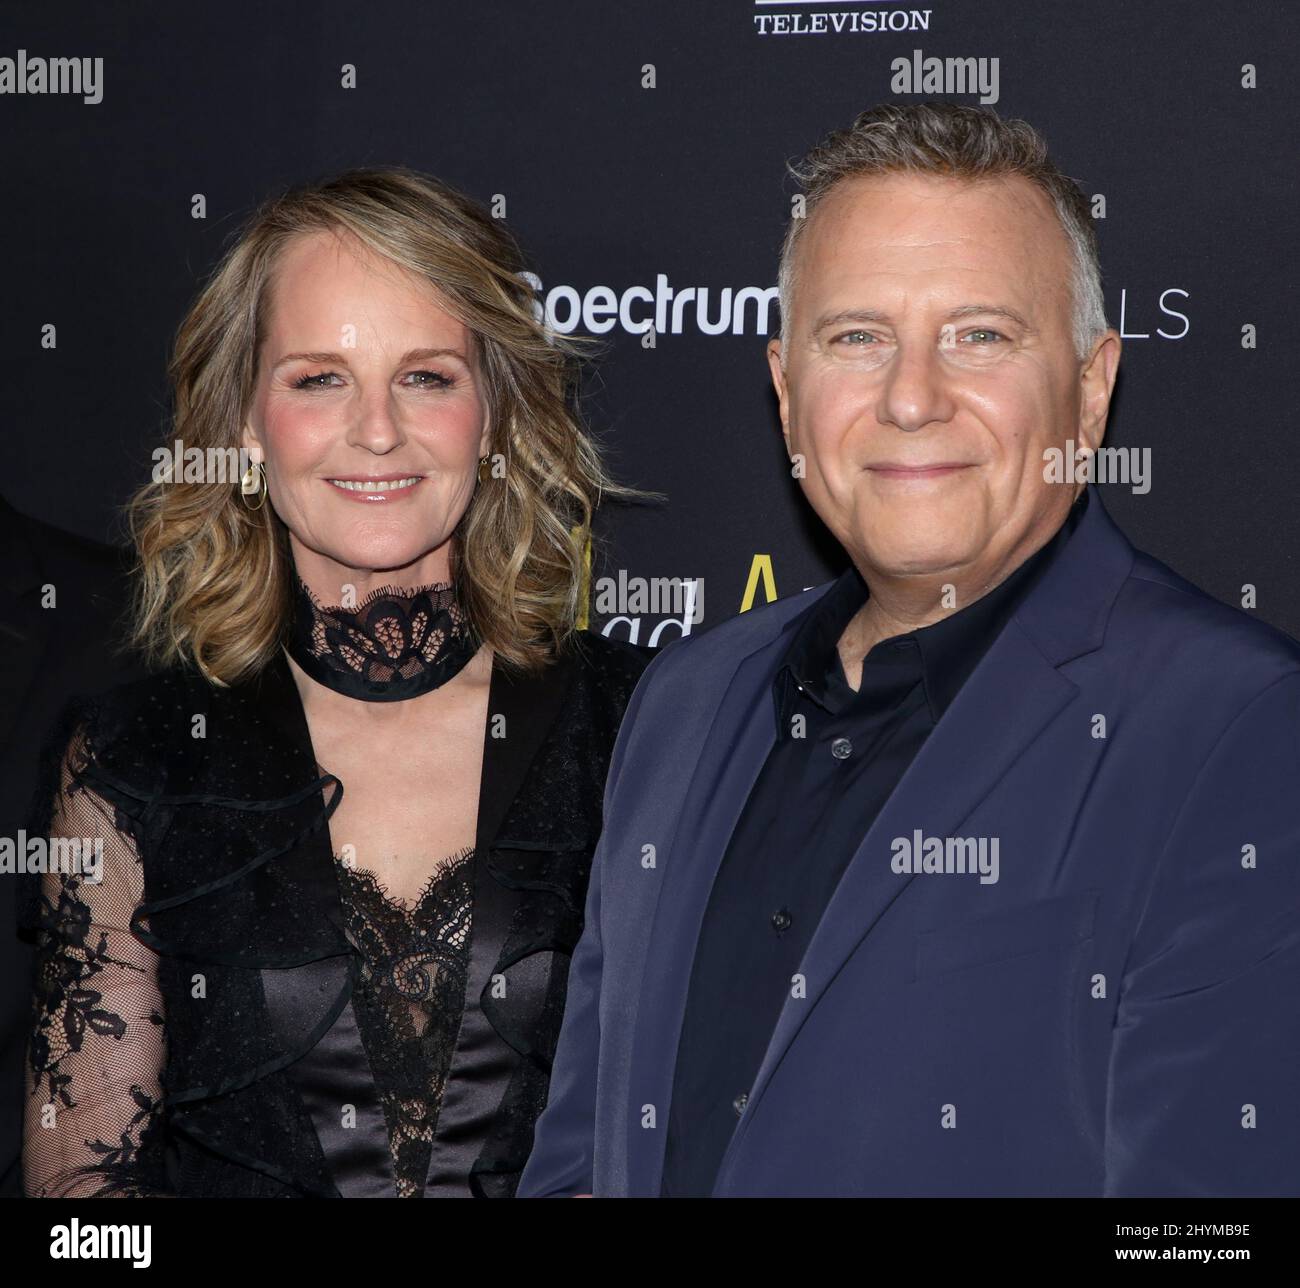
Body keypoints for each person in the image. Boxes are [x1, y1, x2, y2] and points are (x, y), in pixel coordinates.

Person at [519, 102, 1300, 1197]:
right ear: (788, 394)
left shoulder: (1233, 724)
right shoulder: (685, 700)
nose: (911, 398)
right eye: (857, 337)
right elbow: (582, 1163)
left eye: (979, 335)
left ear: (1088, 388)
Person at [17, 167, 650, 1198]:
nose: (377, 430)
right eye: (319, 377)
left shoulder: (644, 726)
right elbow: (80, 1213)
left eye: (426, 375)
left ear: (492, 413)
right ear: (245, 422)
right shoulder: (135, 758)